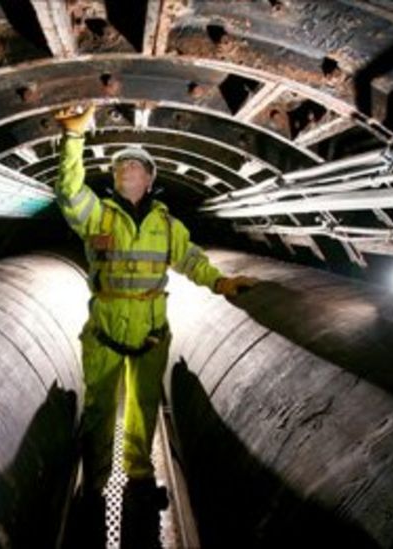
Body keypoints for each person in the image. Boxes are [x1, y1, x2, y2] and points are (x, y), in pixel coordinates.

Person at [54, 104, 258, 541]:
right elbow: (69, 191)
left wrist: (220, 282)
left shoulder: (167, 224)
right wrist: (73, 139)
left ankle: (140, 480)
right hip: (105, 332)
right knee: (99, 410)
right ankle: (94, 484)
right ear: (115, 178)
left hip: (150, 333)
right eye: (121, 166)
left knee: (144, 410)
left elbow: (189, 259)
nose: (128, 169)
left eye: (136, 166)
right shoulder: (98, 215)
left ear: (149, 179)